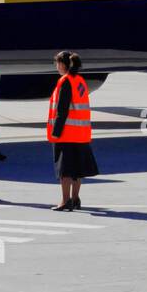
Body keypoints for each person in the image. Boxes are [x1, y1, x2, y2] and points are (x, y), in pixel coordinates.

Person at [47, 51, 98, 211]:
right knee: (78, 170)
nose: (57, 66)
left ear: (62, 64)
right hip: (81, 133)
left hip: (67, 133)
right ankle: (75, 199)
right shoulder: (80, 81)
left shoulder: (65, 82)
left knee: (65, 171)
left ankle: (65, 200)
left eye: (57, 63)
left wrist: (56, 132)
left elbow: (62, 110)